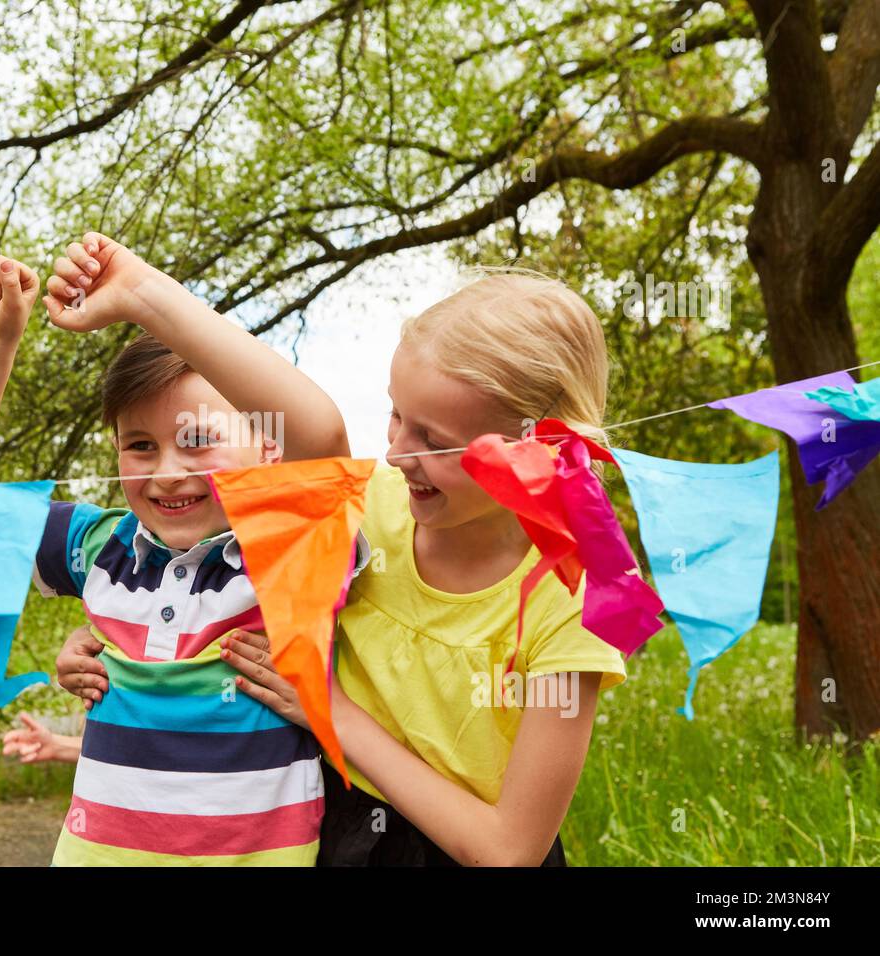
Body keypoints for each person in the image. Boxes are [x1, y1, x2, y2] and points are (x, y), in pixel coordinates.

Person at [55, 253, 628, 866]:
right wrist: (108, 641)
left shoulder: (577, 594)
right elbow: (224, 574)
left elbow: (509, 851)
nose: (397, 453)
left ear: (532, 449)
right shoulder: (373, 509)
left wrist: (331, 711)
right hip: (336, 834)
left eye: (433, 440)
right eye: (397, 415)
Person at [0, 245, 366, 865]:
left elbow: (322, 436)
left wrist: (144, 295)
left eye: (198, 441)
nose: (167, 473)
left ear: (268, 447)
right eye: (141, 445)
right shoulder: (102, 547)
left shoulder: (288, 544)